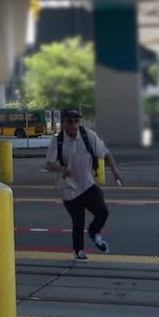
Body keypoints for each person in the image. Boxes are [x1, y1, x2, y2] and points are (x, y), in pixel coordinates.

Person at [44, 108, 123, 260]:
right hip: (68, 189)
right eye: (70, 122)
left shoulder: (88, 135)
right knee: (78, 221)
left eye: (76, 121)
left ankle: (94, 232)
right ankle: (79, 251)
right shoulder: (58, 141)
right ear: (63, 124)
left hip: (87, 184)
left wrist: (115, 171)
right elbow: (49, 164)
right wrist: (62, 169)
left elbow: (106, 154)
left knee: (102, 211)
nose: (74, 125)